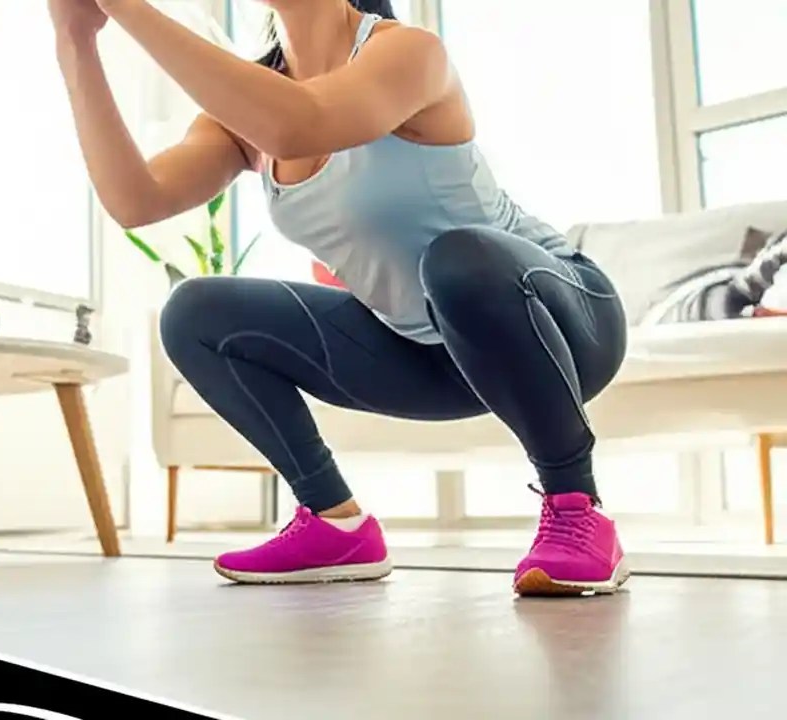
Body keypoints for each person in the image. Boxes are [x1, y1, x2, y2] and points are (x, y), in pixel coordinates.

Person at [48, 0, 629, 597]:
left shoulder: (408, 54)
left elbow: (301, 122)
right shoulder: (247, 111)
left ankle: (577, 510)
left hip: (558, 326)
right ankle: (335, 524)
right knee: (195, 314)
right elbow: (136, 199)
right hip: (430, 358)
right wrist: (76, 42)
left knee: (457, 259)